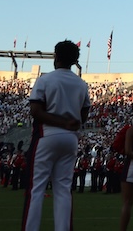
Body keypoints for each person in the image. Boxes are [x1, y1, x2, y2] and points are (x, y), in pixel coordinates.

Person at [22, 40, 91, 231]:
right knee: (63, 190)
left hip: (47, 135)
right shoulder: (81, 84)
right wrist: (70, 122)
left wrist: (61, 122)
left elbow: (36, 111)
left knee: (36, 189)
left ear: (56, 57)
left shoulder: (45, 80)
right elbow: (83, 114)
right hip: (70, 139)